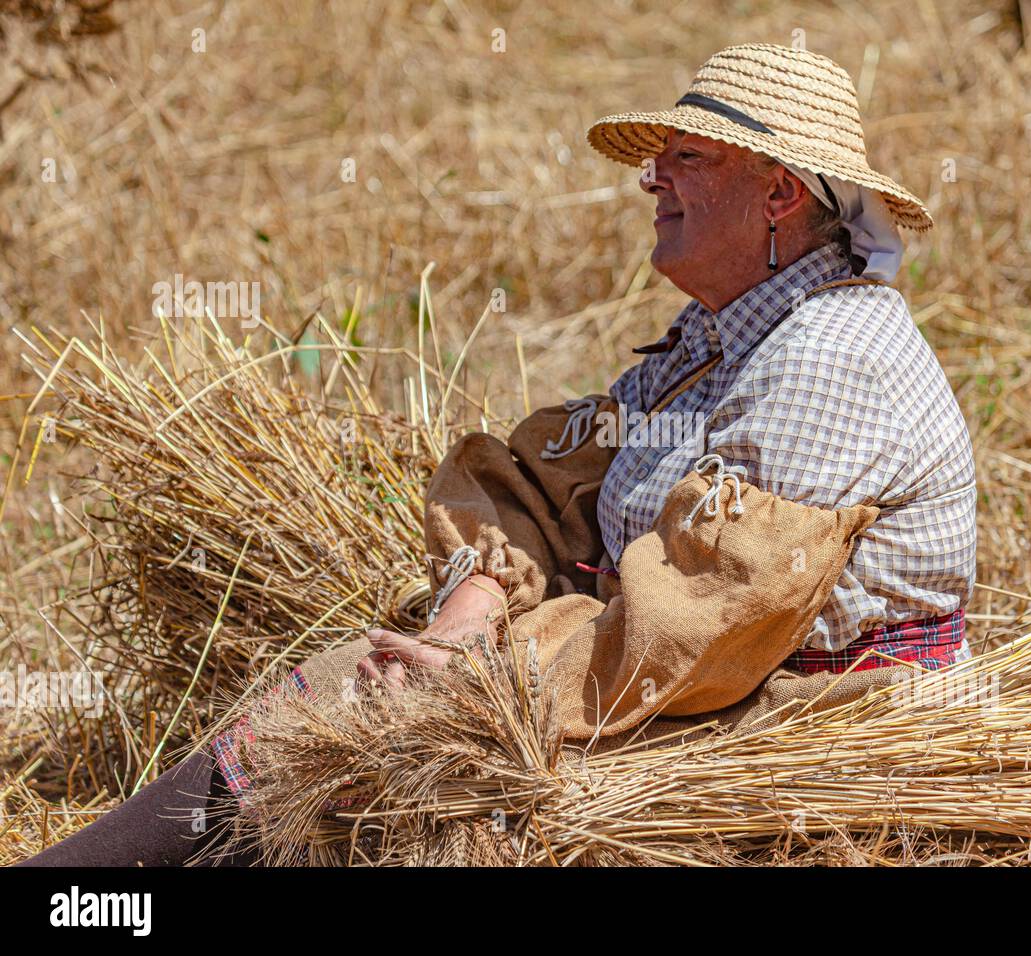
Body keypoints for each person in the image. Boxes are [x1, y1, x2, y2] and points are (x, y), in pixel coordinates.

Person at [20, 42, 974, 867]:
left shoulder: (831, 358)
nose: (653, 181)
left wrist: (489, 685)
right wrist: (467, 620)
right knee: (383, 690)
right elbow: (550, 480)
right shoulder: (722, 335)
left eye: (687, 157)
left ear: (776, 192)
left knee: (365, 700)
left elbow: (706, 627)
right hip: (671, 681)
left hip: (790, 720)